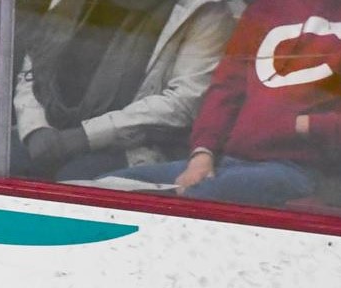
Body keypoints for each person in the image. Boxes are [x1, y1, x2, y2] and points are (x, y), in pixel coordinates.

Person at [100, 0, 341, 205]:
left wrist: (305, 126)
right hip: (227, 159)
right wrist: (203, 154)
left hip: (308, 170)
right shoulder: (267, 6)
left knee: (196, 202)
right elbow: (227, 87)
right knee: (101, 189)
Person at [13, 0, 235, 182]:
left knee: (72, 180)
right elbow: (36, 63)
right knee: (0, 163)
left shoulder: (204, 11)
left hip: (138, 147)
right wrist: (35, 128)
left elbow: (184, 102)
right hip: (53, 130)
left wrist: (86, 136)